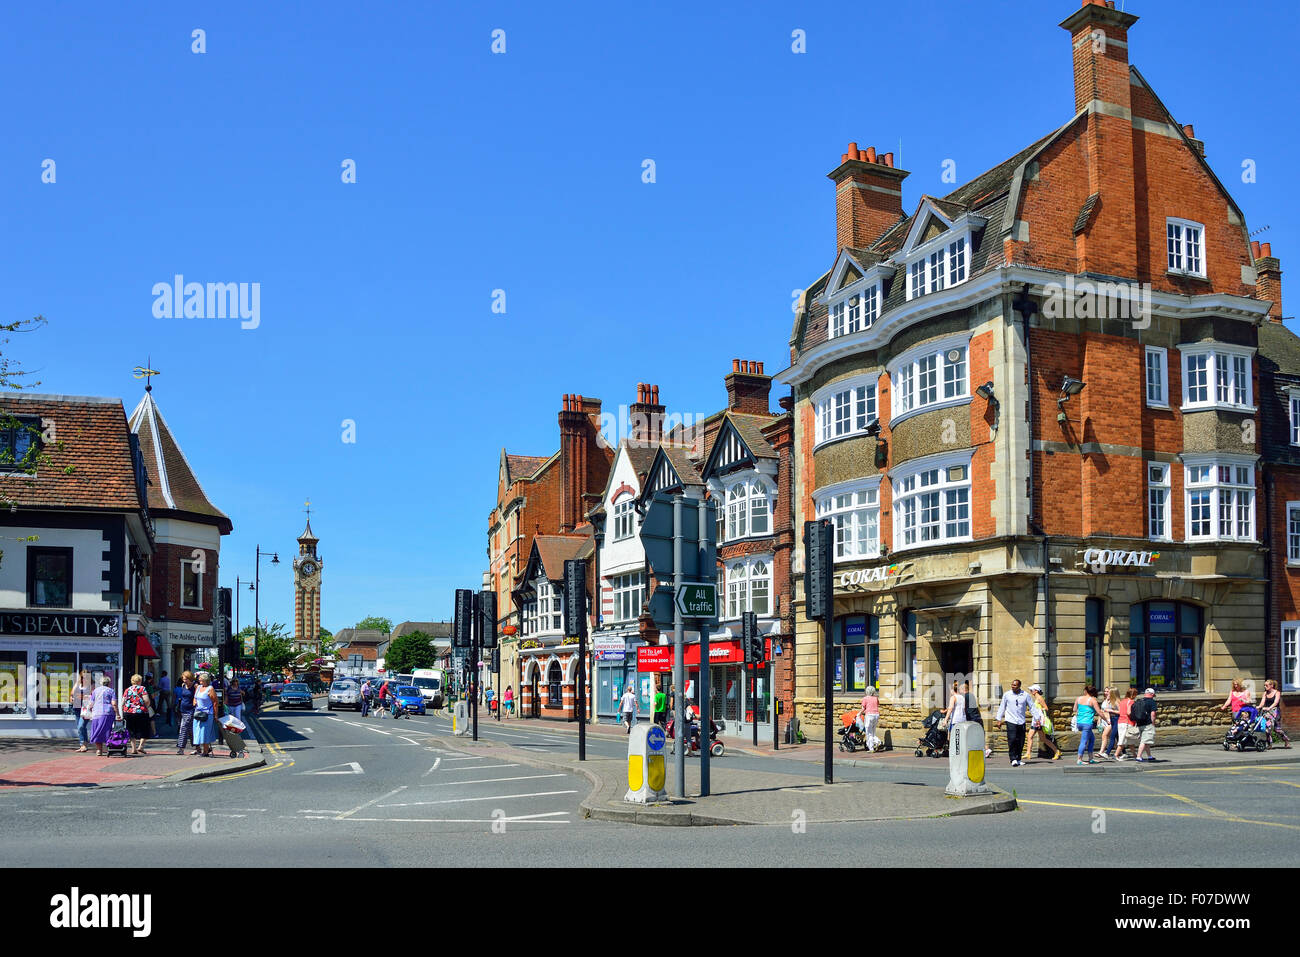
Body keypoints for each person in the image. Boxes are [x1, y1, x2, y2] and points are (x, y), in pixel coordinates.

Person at [995, 678, 1034, 766]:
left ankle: (1018, 759)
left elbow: (1032, 707)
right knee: (1012, 739)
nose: (1013, 686)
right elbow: (1002, 707)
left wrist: (1038, 718)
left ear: (1019, 686)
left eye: (1015, 685)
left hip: (1021, 720)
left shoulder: (1025, 695)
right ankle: (1013, 759)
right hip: (1010, 720)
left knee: (1020, 740)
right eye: (1012, 685)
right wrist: (999, 719)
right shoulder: (1007, 695)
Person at [1024, 684, 1062, 762]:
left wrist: (1040, 709)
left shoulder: (1040, 698)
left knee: (1036, 737)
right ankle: (1028, 753)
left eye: (1032, 690)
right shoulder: (1036, 698)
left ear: (1036, 691)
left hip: (1039, 721)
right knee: (1037, 737)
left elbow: (1046, 708)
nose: (1031, 691)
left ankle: (1056, 751)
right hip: (1036, 720)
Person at [121, 674, 153, 755]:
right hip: (141, 712)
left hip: (128, 712)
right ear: (139, 681)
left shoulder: (127, 690)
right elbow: (146, 700)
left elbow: (123, 702)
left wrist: (122, 711)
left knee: (131, 730)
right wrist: (147, 706)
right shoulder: (142, 689)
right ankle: (141, 746)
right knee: (144, 729)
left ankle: (133, 748)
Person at [89, 676, 120, 757]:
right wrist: (118, 714)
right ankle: (107, 748)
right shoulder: (111, 691)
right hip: (108, 713)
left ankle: (99, 750)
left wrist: (90, 710)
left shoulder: (95, 691)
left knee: (97, 730)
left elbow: (91, 703)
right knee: (107, 731)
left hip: (96, 713)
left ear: (101, 683)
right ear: (109, 683)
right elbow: (114, 703)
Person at [1073, 684, 1103, 765]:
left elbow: (1074, 709)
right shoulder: (1093, 700)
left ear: (1086, 691)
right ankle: (1079, 759)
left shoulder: (1078, 698)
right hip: (1087, 723)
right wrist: (1107, 720)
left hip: (1079, 723)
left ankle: (1091, 758)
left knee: (1092, 739)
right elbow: (1099, 712)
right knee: (1084, 741)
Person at [192, 672, 219, 758]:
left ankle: (206, 751)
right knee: (197, 732)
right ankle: (203, 749)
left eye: (201, 680)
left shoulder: (210, 689)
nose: (199, 681)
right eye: (199, 680)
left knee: (204, 733)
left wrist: (215, 715)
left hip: (207, 714)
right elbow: (195, 697)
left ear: (206, 680)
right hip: (198, 713)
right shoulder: (198, 687)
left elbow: (215, 702)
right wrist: (194, 701)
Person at [1259, 679, 1291, 748]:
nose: (1265, 687)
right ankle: (1269, 744)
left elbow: (1276, 702)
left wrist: (1269, 707)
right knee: (1267, 728)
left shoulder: (1277, 692)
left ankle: (1286, 740)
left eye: (1266, 685)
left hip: (1275, 712)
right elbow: (1262, 703)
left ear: (1272, 685)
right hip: (1267, 713)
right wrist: (1259, 706)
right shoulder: (1265, 693)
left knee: (1277, 729)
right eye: (1264, 685)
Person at [1133, 687, 1158, 763]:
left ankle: (1149, 756)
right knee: (1144, 741)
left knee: (1146, 741)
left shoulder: (1140, 701)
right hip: (1147, 724)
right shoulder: (1152, 702)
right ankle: (1139, 756)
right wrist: (1153, 723)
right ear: (1152, 694)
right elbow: (1153, 714)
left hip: (1140, 723)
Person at [175, 671, 197, 754]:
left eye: (186, 679)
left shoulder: (195, 686)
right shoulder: (183, 685)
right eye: (183, 679)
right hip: (183, 710)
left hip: (191, 710)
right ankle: (197, 747)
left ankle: (181, 748)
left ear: (190, 679)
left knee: (183, 728)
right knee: (190, 730)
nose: (184, 681)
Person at [72, 670, 94, 752]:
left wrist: (82, 696)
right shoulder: (78, 684)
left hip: (86, 708)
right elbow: (72, 694)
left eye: (86, 677)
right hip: (77, 707)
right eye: (82, 677)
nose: (84, 678)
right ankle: (83, 745)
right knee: (80, 727)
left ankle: (84, 744)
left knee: (81, 726)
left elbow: (92, 696)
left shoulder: (92, 685)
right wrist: (72, 698)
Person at [1115, 686, 1138, 761]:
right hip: (1127, 722)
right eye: (1135, 694)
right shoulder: (1131, 702)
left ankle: (1135, 755)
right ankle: (1116, 755)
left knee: (1130, 740)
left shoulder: (1122, 701)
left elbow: (1120, 711)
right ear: (1133, 695)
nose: (1136, 696)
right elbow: (1128, 712)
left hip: (1121, 721)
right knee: (1122, 740)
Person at [1098, 687, 1121, 758]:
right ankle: (1124, 752)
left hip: (1116, 719)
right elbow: (1104, 709)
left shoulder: (1117, 701)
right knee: (1117, 736)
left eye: (1110, 692)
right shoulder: (1111, 701)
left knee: (1112, 736)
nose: (1108, 694)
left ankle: (1107, 753)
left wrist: (1111, 711)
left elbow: (1120, 712)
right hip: (1112, 719)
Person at [858, 684, 881, 751]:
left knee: (868, 732)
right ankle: (875, 743)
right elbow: (877, 704)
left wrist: (859, 714)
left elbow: (863, 708)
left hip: (869, 715)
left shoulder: (865, 698)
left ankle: (875, 744)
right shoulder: (876, 698)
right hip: (876, 715)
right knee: (873, 732)